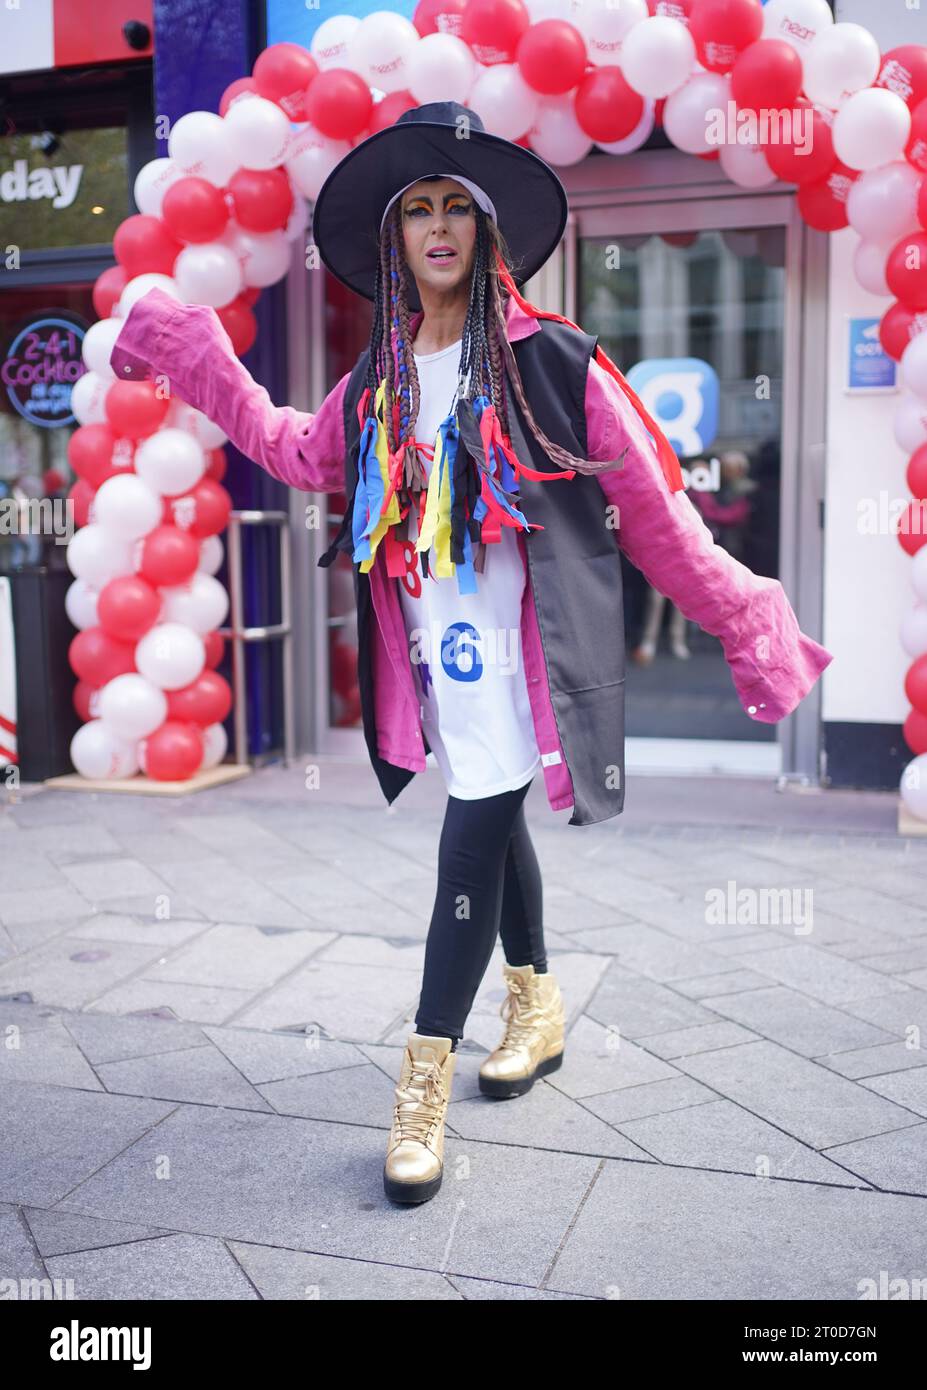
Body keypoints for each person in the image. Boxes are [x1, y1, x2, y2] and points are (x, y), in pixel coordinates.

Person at [109, 101, 834, 1207]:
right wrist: (186, 350)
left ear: (489, 232)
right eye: (420, 212)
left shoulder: (561, 368)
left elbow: (661, 517)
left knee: (472, 834)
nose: (439, 227)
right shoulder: (379, 385)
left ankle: (422, 1081)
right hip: (439, 656)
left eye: (459, 207)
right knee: (493, 818)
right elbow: (292, 450)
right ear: (396, 240)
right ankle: (536, 1008)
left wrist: (746, 615)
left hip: (524, 654)